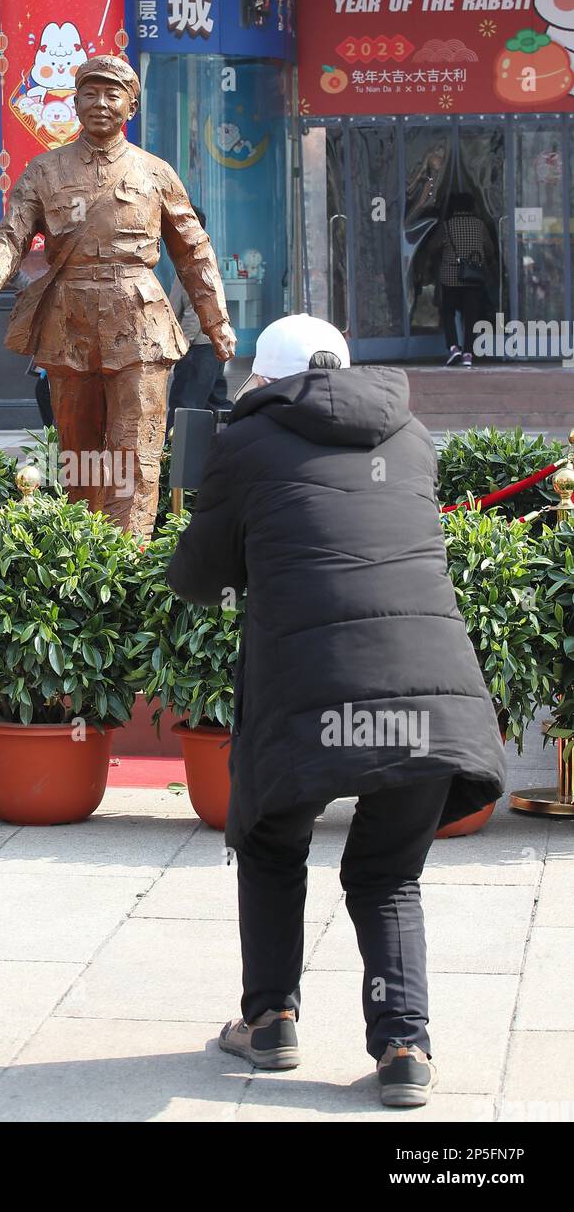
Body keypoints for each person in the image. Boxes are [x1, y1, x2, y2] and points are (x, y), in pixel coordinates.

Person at [166, 313, 505, 1108]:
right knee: (387, 874)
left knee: (271, 840)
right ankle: (404, 1049)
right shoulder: (413, 437)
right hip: (429, 692)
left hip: (306, 690)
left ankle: (272, 1018)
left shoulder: (245, 444)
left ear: (268, 379)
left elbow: (197, 578)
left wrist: (208, 501)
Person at [0, 54, 236, 537]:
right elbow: (12, 232)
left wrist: (215, 321)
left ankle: (128, 561)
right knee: (80, 451)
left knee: (136, 448)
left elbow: (193, 249)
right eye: (89, 93)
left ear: (130, 106)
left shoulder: (155, 173)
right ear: (74, 103)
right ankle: (89, 554)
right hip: (69, 320)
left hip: (140, 318)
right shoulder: (45, 171)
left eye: (112, 94)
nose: (100, 103)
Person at [165, 204, 229, 434]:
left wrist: (180, 345)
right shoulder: (192, 257)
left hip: (199, 347)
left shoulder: (196, 259)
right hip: (208, 345)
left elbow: (195, 312)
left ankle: (173, 464)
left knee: (184, 409)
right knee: (215, 406)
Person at [430, 191, 495, 366]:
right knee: (471, 316)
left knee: (448, 313)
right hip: (474, 279)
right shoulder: (480, 226)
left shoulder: (447, 226)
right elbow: (489, 250)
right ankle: (468, 354)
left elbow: (433, 248)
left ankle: (453, 347)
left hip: (450, 278)